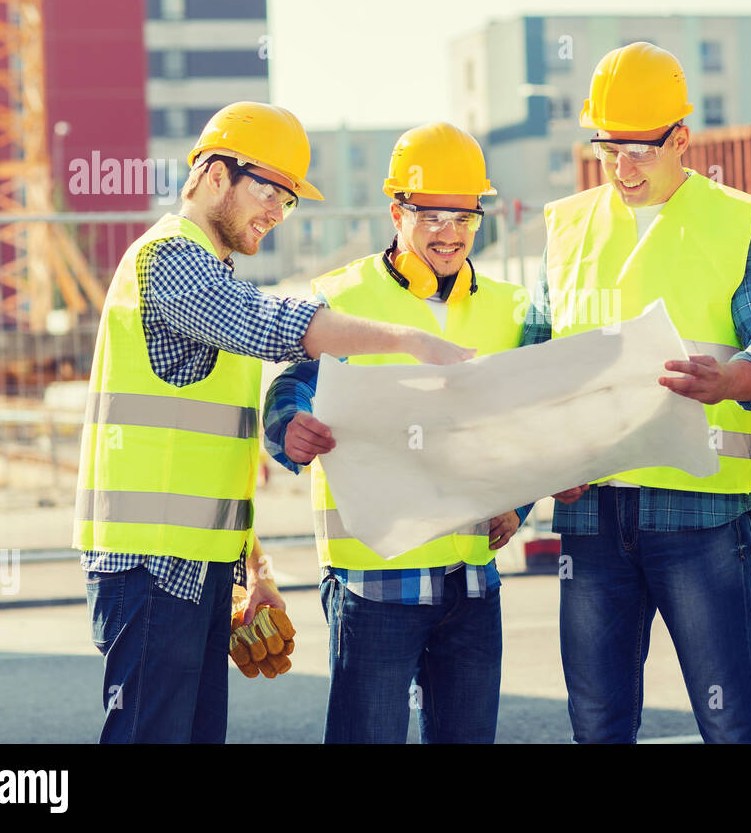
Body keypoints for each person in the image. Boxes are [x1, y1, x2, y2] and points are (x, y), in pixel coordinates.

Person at [76, 102, 473, 744]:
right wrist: (406, 338)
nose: (276, 213)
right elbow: (275, 325)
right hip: (149, 565)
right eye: (270, 190)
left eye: (288, 202)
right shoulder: (171, 258)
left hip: (190, 564)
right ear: (212, 176)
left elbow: (206, 456)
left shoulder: (211, 272)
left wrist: (251, 569)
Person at [523, 42, 751, 743]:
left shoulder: (739, 222)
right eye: (608, 149)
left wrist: (736, 377)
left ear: (681, 140)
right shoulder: (566, 228)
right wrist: (534, 470)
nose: (622, 168)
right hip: (588, 520)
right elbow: (531, 361)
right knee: (598, 727)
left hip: (699, 516)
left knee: (731, 721)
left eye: (640, 150)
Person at [263, 121, 532, 743]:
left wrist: (519, 503)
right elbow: (289, 386)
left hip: (471, 581)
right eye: (431, 215)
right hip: (374, 581)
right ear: (396, 211)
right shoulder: (341, 295)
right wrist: (289, 427)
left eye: (464, 217)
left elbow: (528, 421)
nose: (449, 233)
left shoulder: (508, 309)